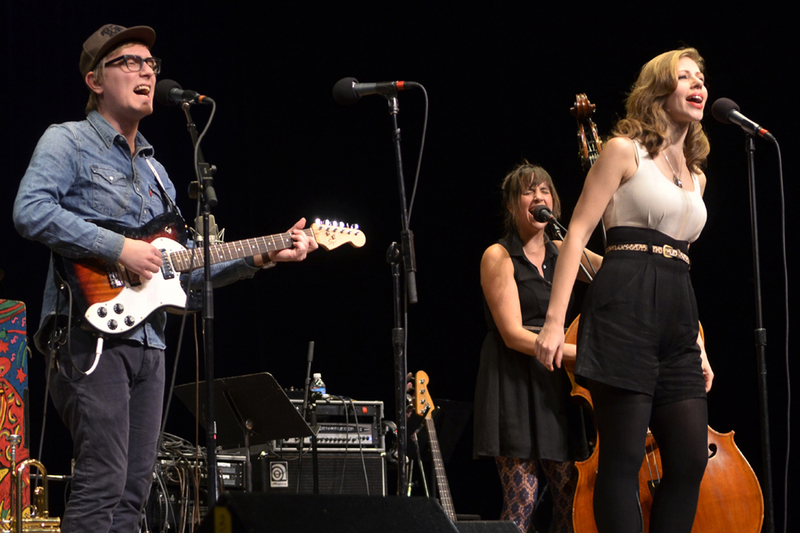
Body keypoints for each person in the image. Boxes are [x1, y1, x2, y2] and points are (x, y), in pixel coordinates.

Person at [12, 24, 316, 533]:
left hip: (150, 342)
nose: (146, 71)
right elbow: (30, 211)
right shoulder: (67, 140)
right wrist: (120, 247)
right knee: (102, 482)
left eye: (150, 63)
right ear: (94, 79)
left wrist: (264, 254)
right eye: (129, 62)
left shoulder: (159, 173)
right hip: (90, 337)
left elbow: (185, 267)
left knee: (135, 493)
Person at [534, 47, 715, 533]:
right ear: (660, 87)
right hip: (623, 305)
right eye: (685, 78)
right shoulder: (623, 150)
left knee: (690, 460)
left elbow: (680, 264)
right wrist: (554, 323)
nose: (699, 86)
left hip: (677, 316)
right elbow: (575, 235)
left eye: (701, 78)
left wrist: (696, 343)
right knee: (622, 458)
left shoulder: (696, 175)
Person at [474, 163, 601, 533]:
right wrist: (589, 355)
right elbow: (513, 333)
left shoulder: (565, 250)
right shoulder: (497, 256)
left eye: (545, 190)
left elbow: (617, 275)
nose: (539, 197)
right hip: (513, 383)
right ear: (513, 206)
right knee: (523, 499)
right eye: (529, 192)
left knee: (568, 496)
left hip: (557, 387)